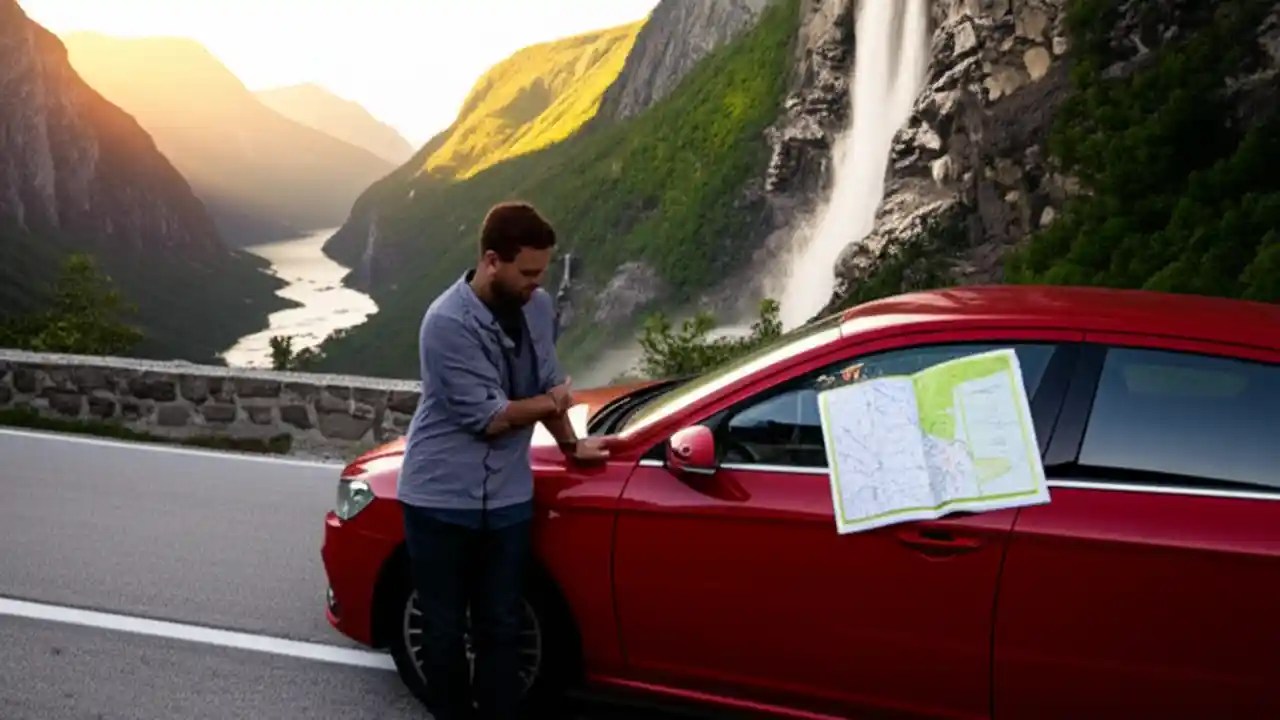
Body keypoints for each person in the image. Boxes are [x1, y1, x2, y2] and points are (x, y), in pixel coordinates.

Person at [398, 201, 610, 720]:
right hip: (440, 500)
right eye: (528, 273)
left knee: (502, 624)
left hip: (509, 500)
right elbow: (492, 418)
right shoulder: (445, 322)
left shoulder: (536, 307)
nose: (538, 285)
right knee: (445, 631)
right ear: (493, 261)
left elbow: (545, 378)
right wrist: (557, 401)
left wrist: (569, 445)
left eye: (542, 272)